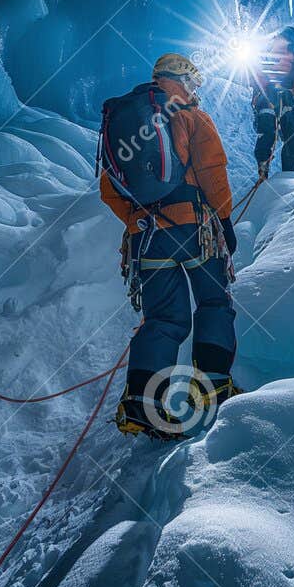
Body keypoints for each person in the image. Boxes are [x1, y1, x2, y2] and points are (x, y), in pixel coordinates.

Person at [99, 53, 241, 438]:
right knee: (213, 302)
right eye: (193, 83)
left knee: (163, 318)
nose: (196, 91)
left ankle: (142, 405)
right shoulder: (192, 115)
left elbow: (108, 189)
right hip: (196, 230)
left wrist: (138, 221)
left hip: (146, 240)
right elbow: (212, 173)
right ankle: (213, 385)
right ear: (184, 80)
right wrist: (224, 221)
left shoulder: (120, 119)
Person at [252, 26, 294, 180]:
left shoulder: (268, 54)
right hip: (282, 99)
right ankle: (287, 175)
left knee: (268, 130)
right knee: (289, 135)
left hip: (271, 98)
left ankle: (263, 168)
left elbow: (256, 78)